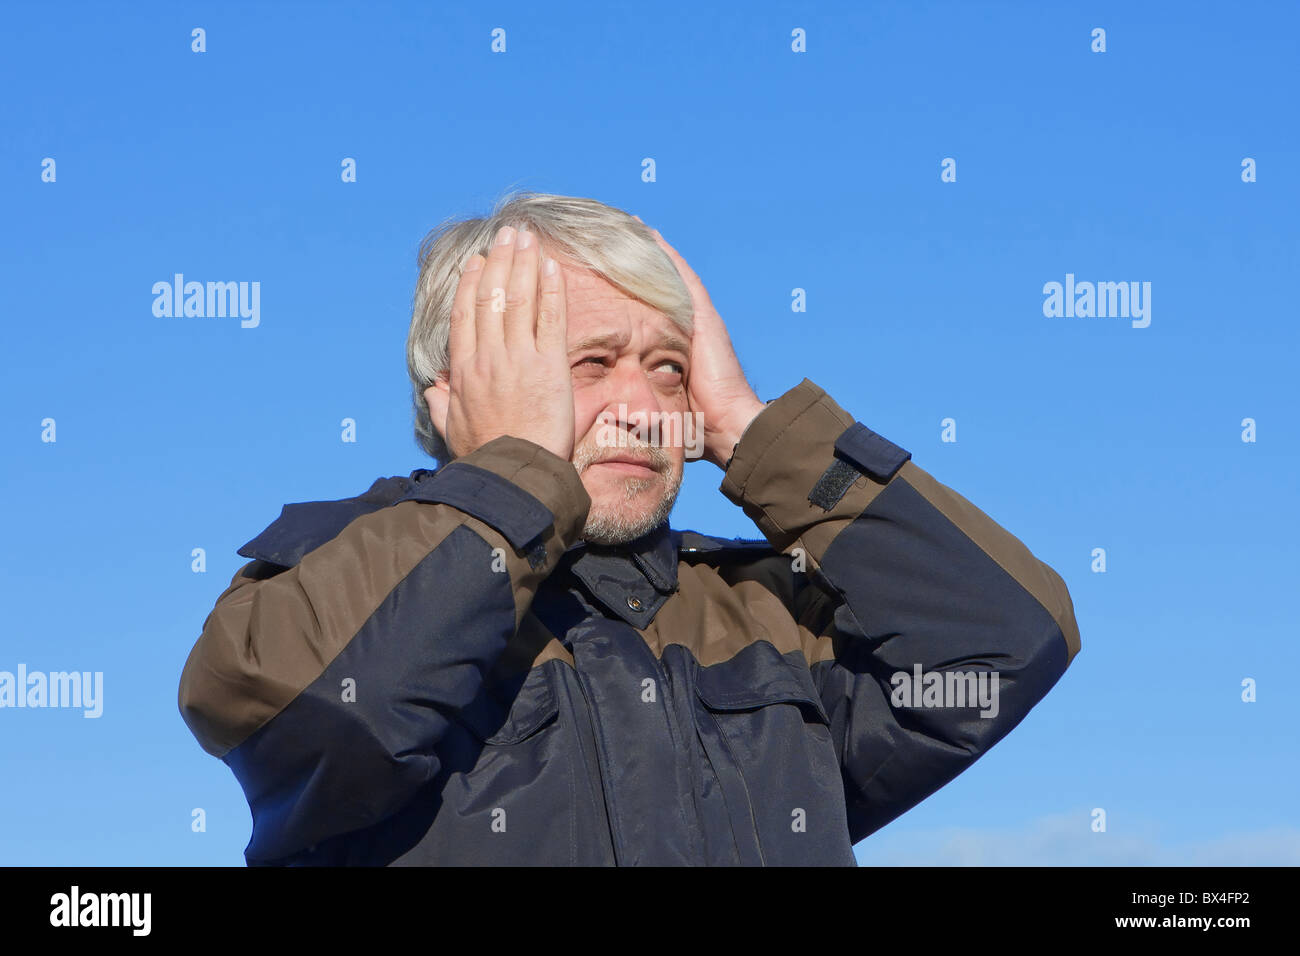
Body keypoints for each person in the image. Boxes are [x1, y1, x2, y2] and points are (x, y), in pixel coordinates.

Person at [177, 191, 1082, 866]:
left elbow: (1006, 643)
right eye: (589, 362)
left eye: (669, 368)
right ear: (451, 390)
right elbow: (339, 727)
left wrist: (751, 429)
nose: (643, 407)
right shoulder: (324, 578)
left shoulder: (769, 614)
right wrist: (514, 476)